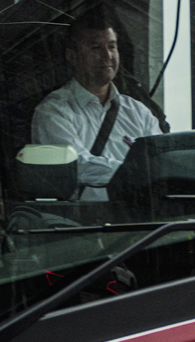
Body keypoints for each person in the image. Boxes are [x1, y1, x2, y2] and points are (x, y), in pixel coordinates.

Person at [28, 16, 157, 202]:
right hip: (84, 224)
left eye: (112, 46)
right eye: (96, 47)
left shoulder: (139, 112)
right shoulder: (53, 111)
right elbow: (74, 165)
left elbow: (161, 161)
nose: (107, 56)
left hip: (141, 222)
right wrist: (134, 171)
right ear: (72, 56)